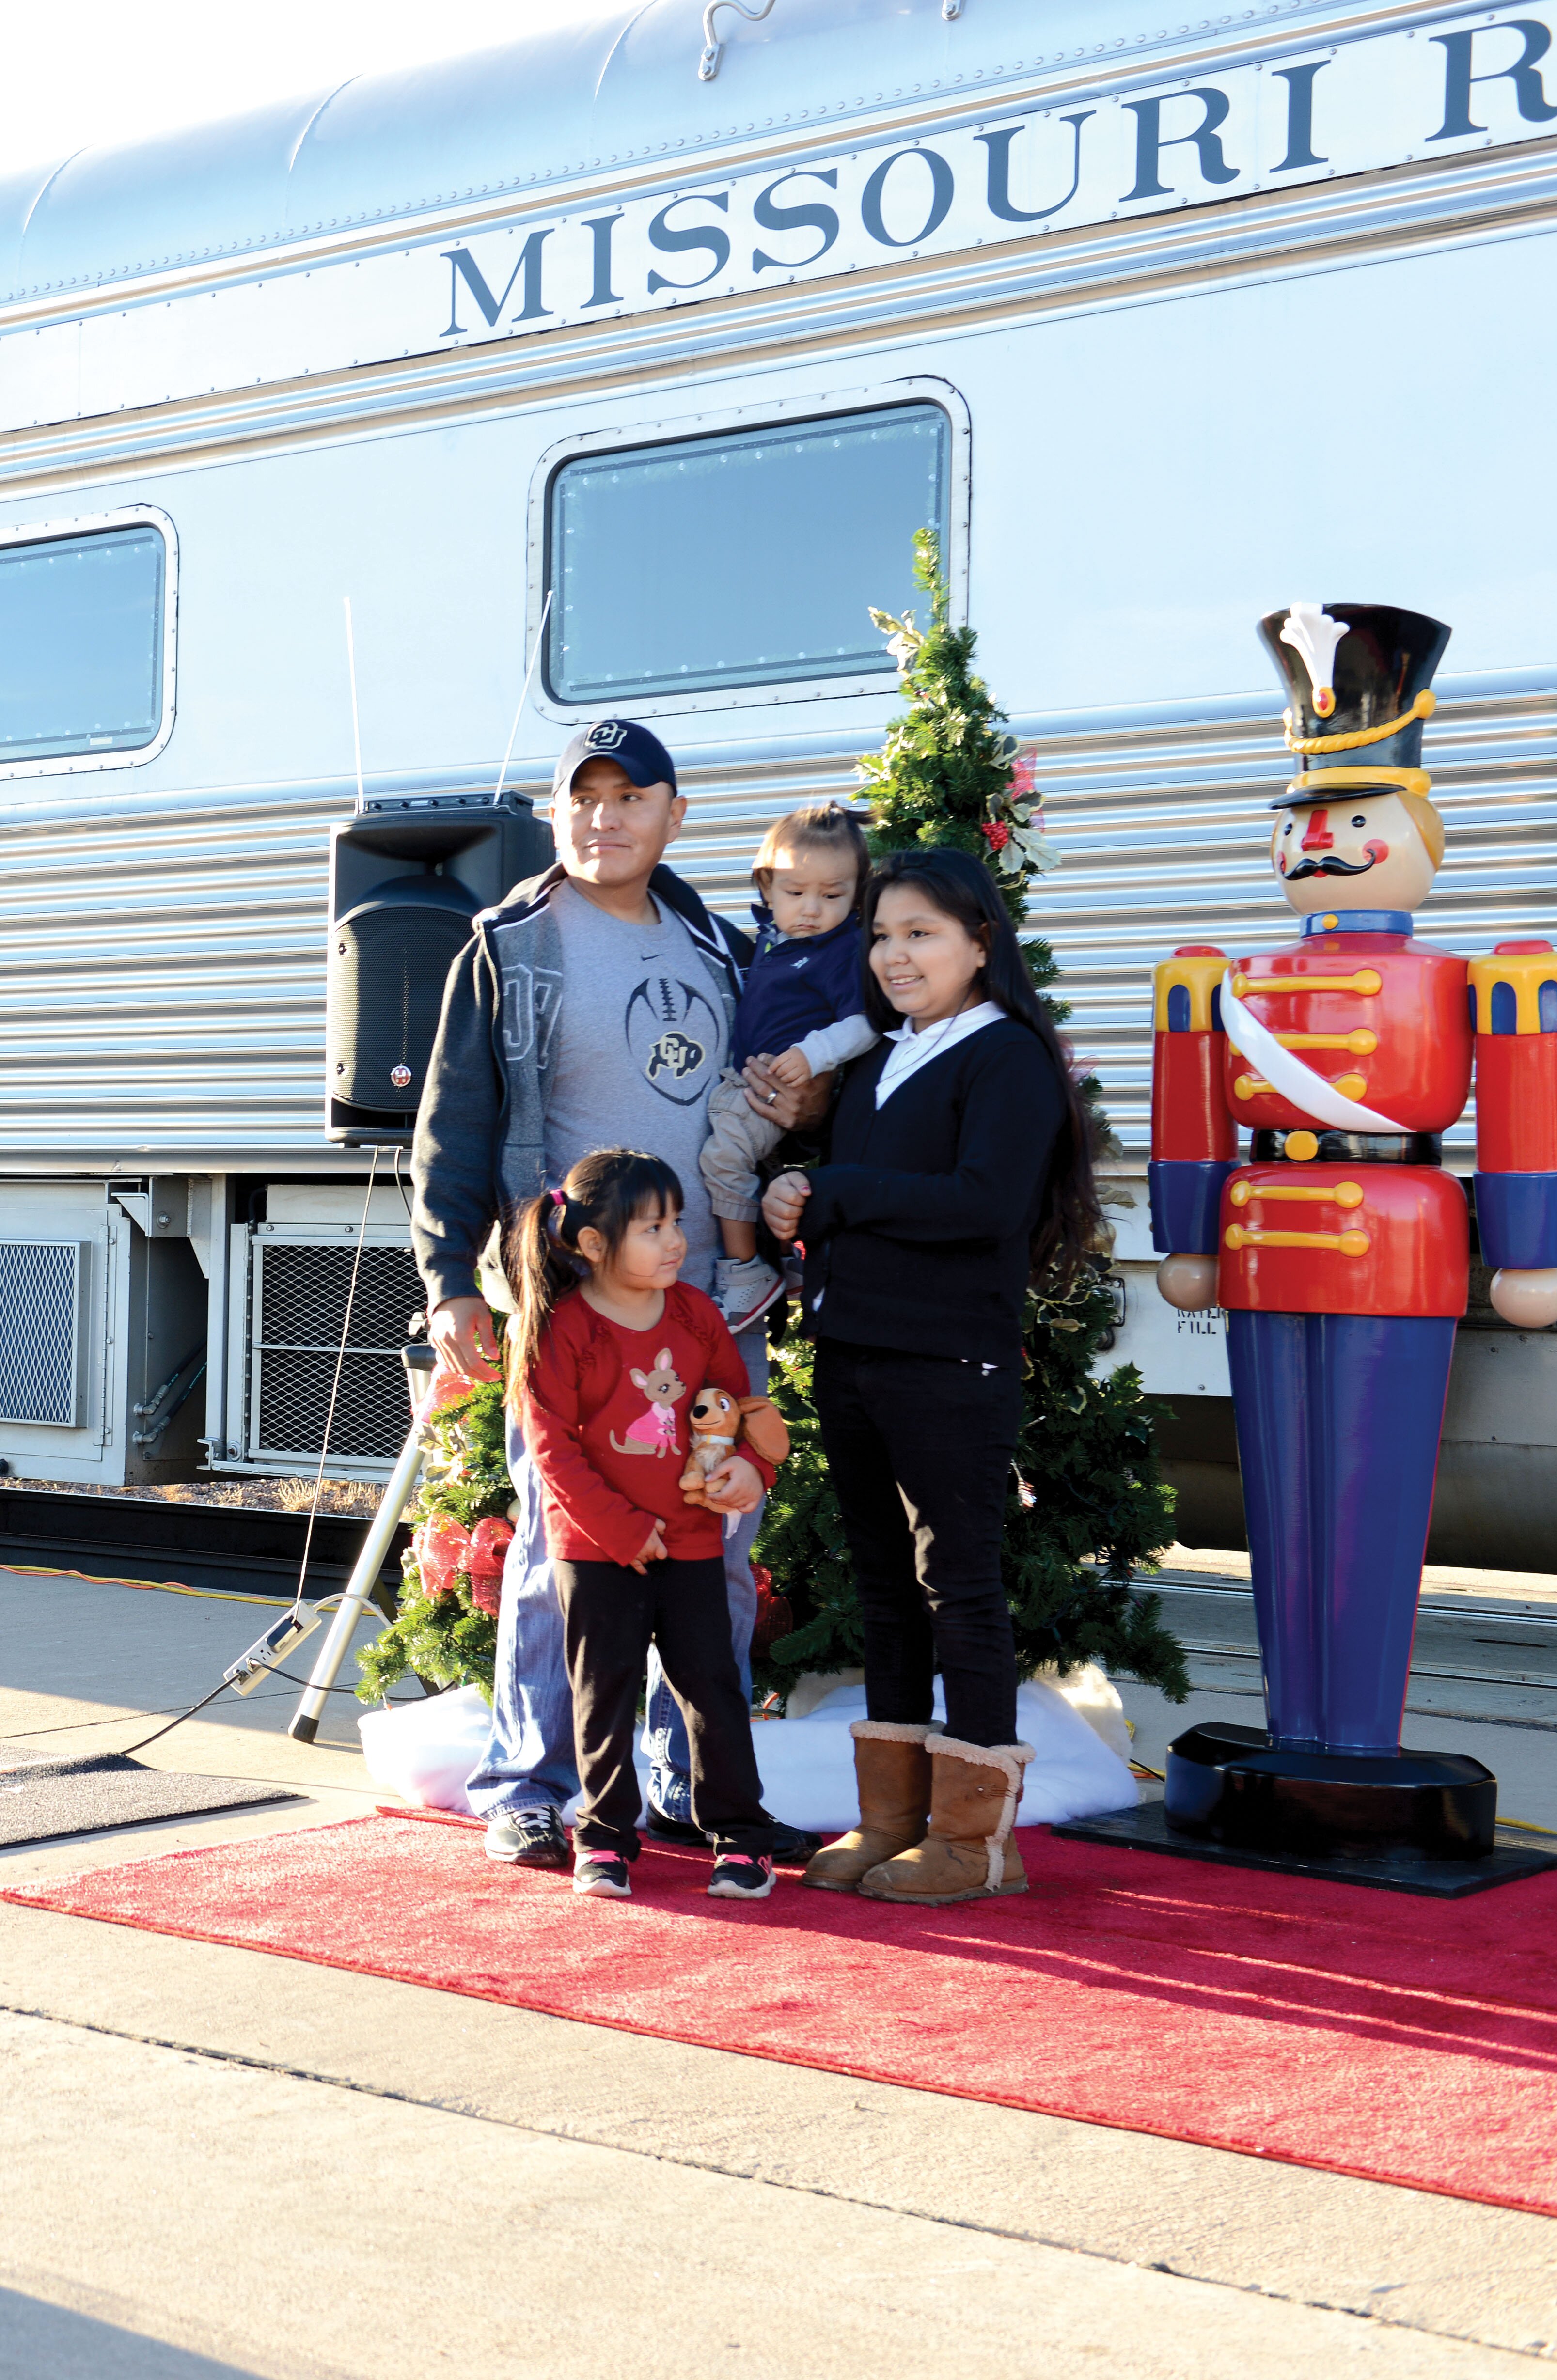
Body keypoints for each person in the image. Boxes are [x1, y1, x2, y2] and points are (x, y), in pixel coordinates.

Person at [409, 719, 819, 1859]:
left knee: (715, 1546)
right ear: (556, 813)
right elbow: (455, 1130)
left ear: (673, 814)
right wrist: (454, 1278)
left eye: (630, 796)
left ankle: (691, 1782)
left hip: (704, 1309)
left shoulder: (723, 946)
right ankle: (531, 1788)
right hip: (578, 1313)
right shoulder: (510, 942)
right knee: (563, 1556)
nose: (604, 817)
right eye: (581, 796)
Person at [758, 845, 1102, 1907]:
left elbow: (982, 1201)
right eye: (879, 934)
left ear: (978, 944)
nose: (893, 954)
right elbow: (843, 1193)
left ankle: (977, 1840)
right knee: (881, 1590)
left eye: (919, 933)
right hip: (854, 1352)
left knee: (958, 1587)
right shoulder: (878, 1058)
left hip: (949, 1359)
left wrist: (837, 1187)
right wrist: (791, 1200)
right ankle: (894, 1820)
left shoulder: (1004, 1056)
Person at [498, 1149, 782, 1899]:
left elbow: (737, 1409)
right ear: (593, 1244)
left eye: (677, 1222)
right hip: (597, 1552)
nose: (675, 1240)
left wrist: (751, 1470)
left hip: (691, 1540)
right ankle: (604, 1840)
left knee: (712, 1688)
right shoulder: (559, 1330)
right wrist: (621, 1531)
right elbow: (551, 1449)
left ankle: (742, 1839)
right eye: (652, 1227)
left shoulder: (695, 1315)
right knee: (605, 1693)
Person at [700, 804, 877, 1324]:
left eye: (831, 895)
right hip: (747, 1079)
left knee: (722, 1159)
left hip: (780, 1081)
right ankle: (787, 1260)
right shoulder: (771, 941)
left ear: (857, 893)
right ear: (766, 886)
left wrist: (813, 1054)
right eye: (795, 892)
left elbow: (867, 1022)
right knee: (746, 1162)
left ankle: (743, 1271)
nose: (811, 909)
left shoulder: (841, 950)